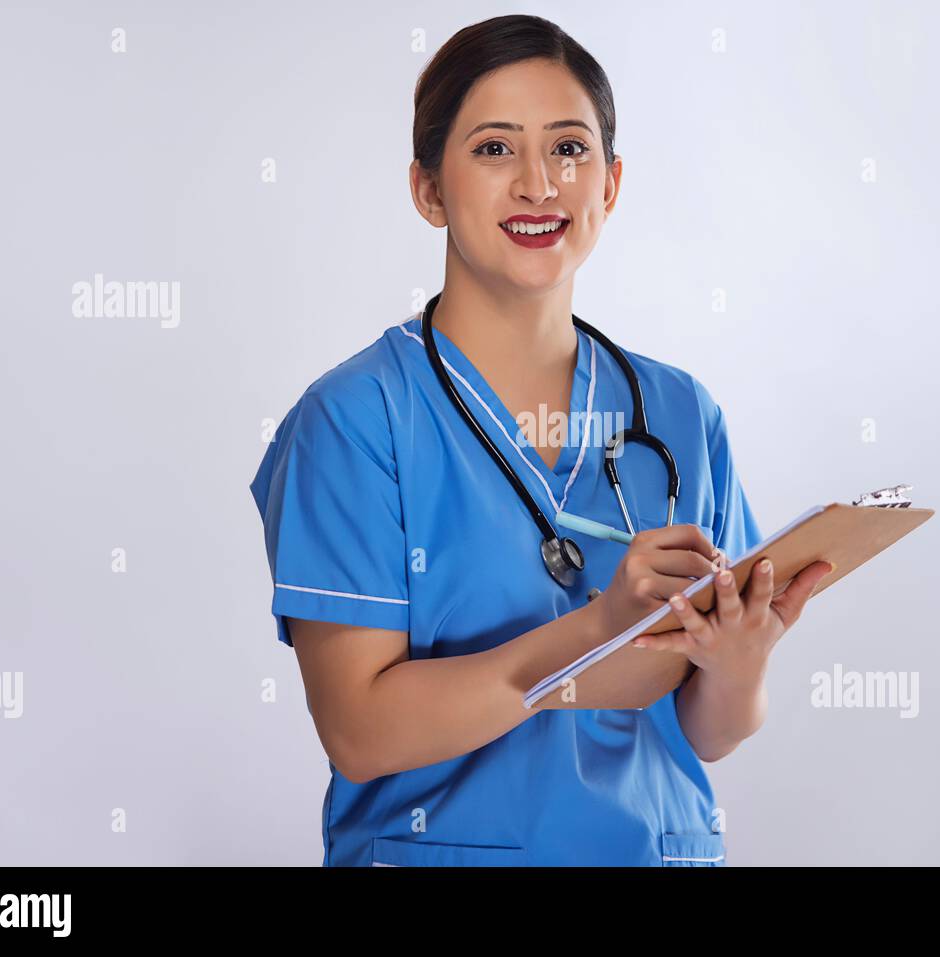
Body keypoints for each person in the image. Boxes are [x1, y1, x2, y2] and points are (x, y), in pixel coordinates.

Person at [248, 13, 831, 867]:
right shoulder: (356, 420)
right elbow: (360, 731)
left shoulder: (678, 412)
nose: (538, 183)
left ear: (612, 184)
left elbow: (710, 730)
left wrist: (740, 664)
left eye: (568, 148)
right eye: (493, 149)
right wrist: (597, 629)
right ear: (428, 189)